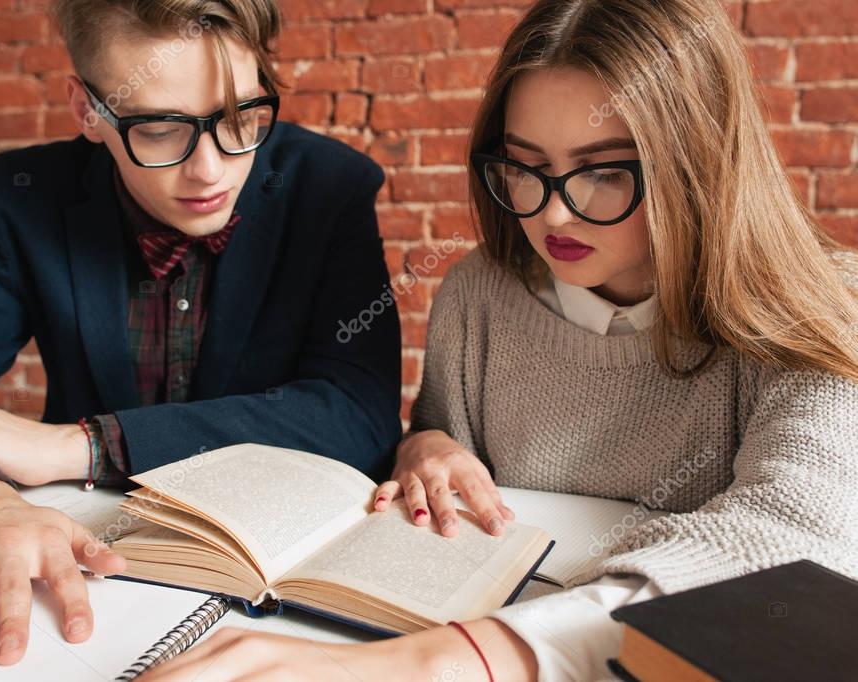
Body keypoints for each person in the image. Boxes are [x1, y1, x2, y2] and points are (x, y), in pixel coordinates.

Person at [136, 0, 858, 679]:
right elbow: (446, 445)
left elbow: (791, 540)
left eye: (604, 172)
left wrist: (443, 661)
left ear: (700, 163)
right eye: (523, 167)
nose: (553, 216)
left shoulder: (829, 305)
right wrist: (428, 446)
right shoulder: (480, 293)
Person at [0, 0, 401, 667]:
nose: (211, 170)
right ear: (87, 111)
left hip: (291, 599)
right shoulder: (25, 197)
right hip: (88, 591)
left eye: (241, 118)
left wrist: (80, 447)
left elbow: (356, 413)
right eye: (160, 130)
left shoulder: (327, 186)